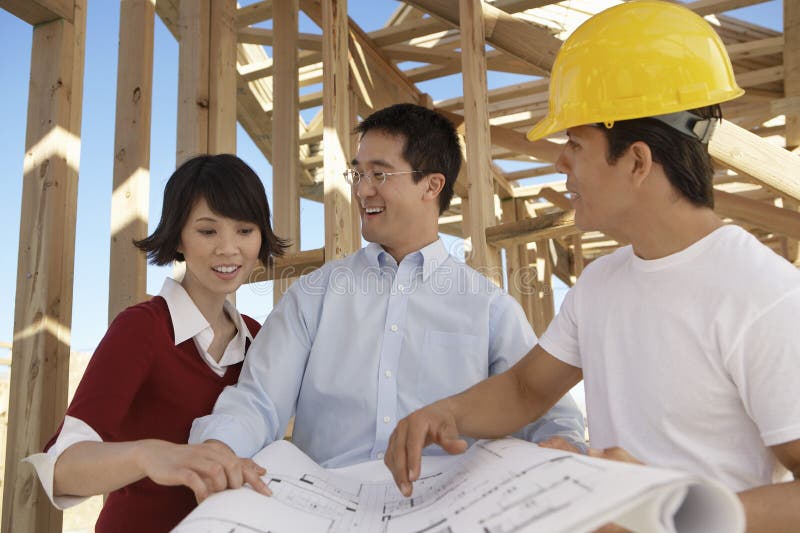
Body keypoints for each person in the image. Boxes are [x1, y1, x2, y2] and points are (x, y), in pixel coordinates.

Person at [383, 2, 800, 530]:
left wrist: (671, 511)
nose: (560, 160)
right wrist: (445, 413)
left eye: (576, 143)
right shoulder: (602, 281)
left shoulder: (764, 295)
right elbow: (525, 390)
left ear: (637, 161)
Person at [189, 103, 584, 468]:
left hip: (444, 506)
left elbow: (549, 414)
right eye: (358, 174)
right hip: (325, 506)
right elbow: (258, 402)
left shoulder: (490, 308)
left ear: (431, 186)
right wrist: (220, 449)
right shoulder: (312, 296)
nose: (362, 190)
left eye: (379, 174)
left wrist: (562, 445)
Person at [26, 154, 284, 532]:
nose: (229, 248)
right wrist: (147, 455)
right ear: (178, 236)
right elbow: (62, 469)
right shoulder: (141, 329)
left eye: (245, 230)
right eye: (208, 231)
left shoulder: (258, 338)